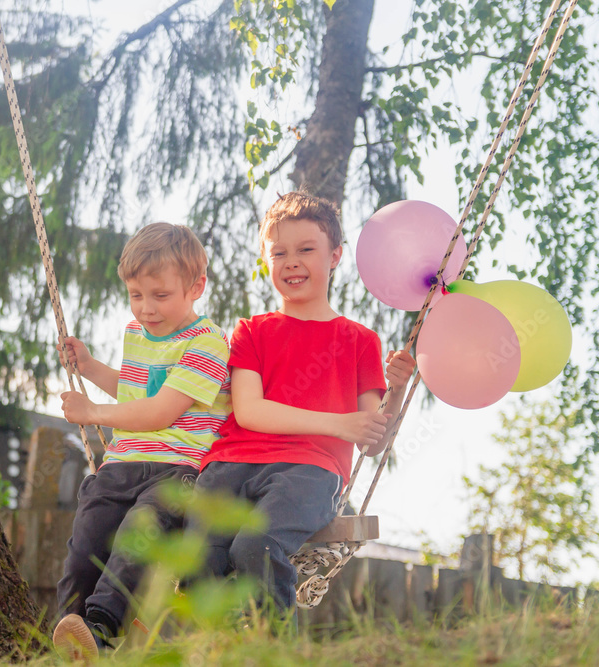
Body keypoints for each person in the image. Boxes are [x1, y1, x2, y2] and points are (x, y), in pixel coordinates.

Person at [192, 191, 416, 614]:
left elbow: (371, 440)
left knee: (255, 547)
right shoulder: (251, 331)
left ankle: (271, 650)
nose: (291, 261)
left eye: (306, 250)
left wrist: (398, 388)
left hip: (310, 472)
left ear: (334, 256)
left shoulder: (359, 341)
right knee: (200, 557)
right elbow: (251, 411)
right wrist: (337, 424)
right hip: (232, 463)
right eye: (279, 253)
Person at [51, 222, 231, 659]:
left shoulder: (208, 343)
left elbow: (159, 411)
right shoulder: (137, 333)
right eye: (136, 295)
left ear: (196, 287)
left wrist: (91, 411)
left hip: (174, 472)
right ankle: (68, 640)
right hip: (119, 466)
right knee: (84, 549)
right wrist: (91, 367)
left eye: (160, 295)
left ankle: (101, 627)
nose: (146, 309)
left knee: (138, 537)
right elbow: (136, 393)